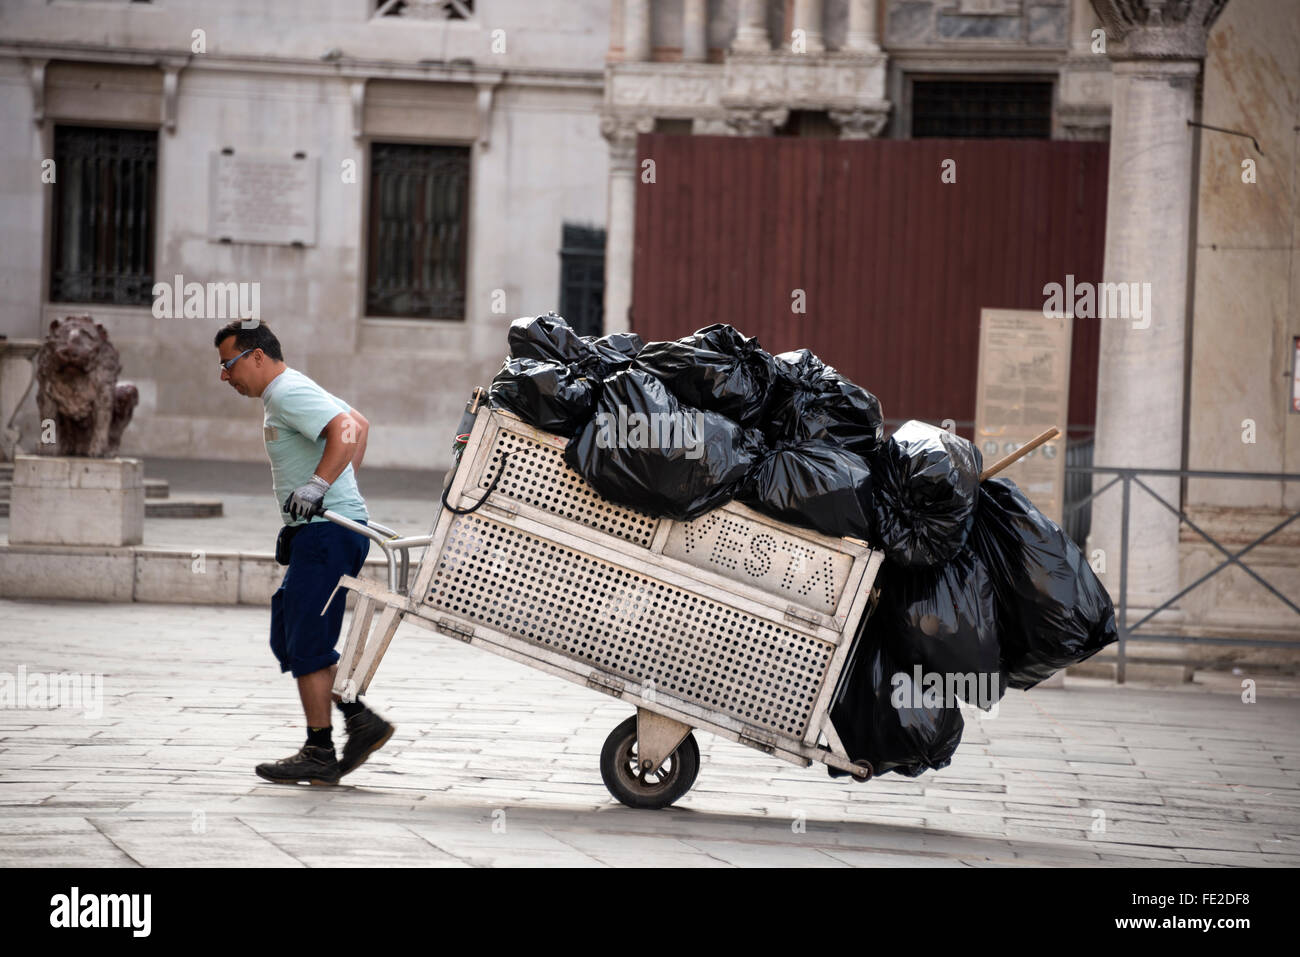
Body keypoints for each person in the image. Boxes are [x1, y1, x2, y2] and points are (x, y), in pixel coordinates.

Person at [214, 320, 395, 785]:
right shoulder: (290, 390)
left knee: (307, 641)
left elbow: (344, 429)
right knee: (292, 636)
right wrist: (339, 490)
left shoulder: (286, 391)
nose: (225, 376)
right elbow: (360, 424)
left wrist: (323, 486)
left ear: (256, 356)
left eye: (227, 364)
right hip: (327, 530)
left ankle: (320, 748)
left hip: (325, 533)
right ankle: (357, 720)